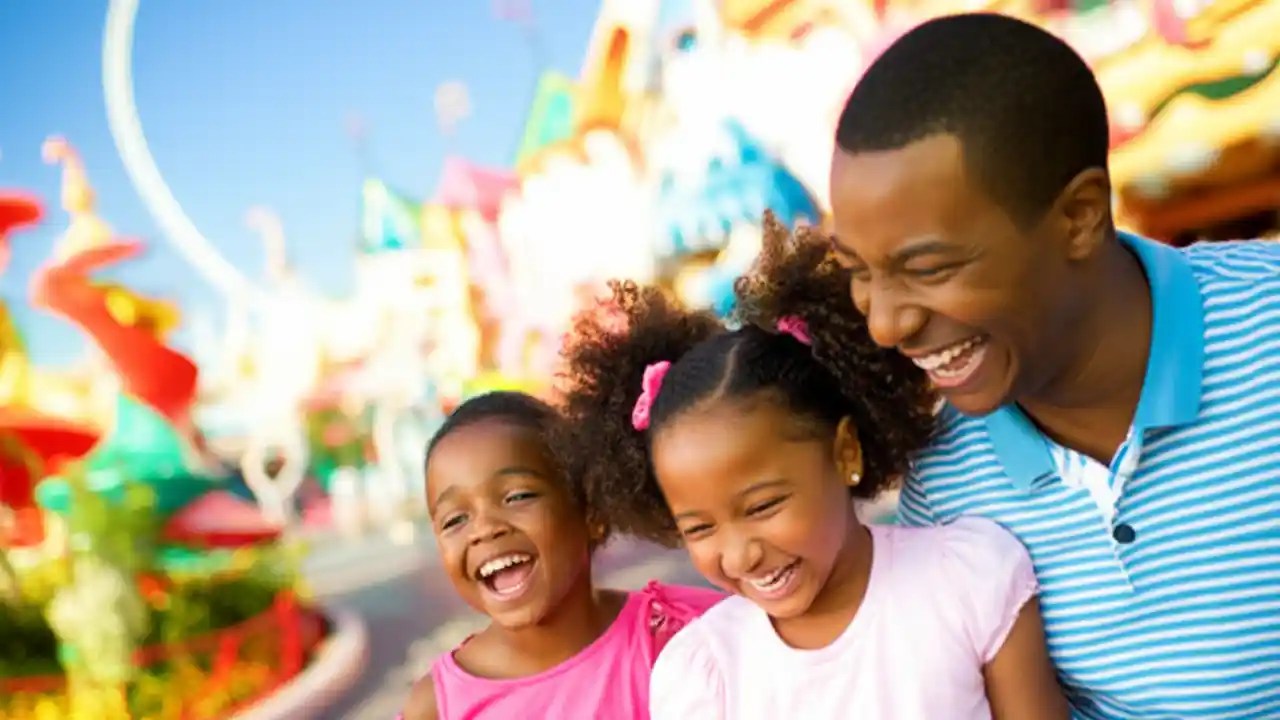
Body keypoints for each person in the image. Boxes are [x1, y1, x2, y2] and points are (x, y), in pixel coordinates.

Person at [822, 12, 1280, 718]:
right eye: (859, 273)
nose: (884, 323)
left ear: (1079, 217)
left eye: (929, 268)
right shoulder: (941, 489)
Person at [553, 265, 1069, 718]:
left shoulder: (967, 579)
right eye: (700, 528)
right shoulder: (705, 672)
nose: (740, 553)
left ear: (845, 452)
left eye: (762, 506)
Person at [399, 391, 722, 720]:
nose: (484, 529)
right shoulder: (436, 709)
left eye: (517, 496)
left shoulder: (687, 635)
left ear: (591, 512)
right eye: (454, 520)